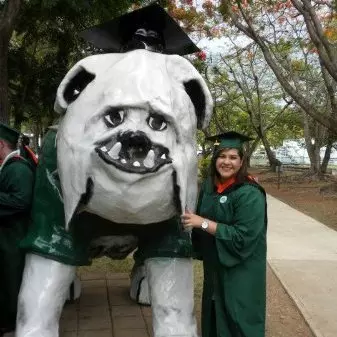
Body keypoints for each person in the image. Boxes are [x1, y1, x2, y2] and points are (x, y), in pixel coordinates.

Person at [181, 131, 267, 337]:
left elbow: (242, 237)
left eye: (233, 157)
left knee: (238, 315)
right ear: (215, 159)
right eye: (222, 156)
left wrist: (202, 223)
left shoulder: (249, 193)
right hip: (215, 266)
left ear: (241, 161)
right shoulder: (209, 188)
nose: (226, 162)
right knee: (214, 312)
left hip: (241, 269)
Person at [0, 123, 34, 335]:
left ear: (1, 144)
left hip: (13, 236)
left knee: (11, 279)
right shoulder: (9, 166)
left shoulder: (18, 168)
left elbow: (21, 201)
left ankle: (11, 321)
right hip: (7, 235)